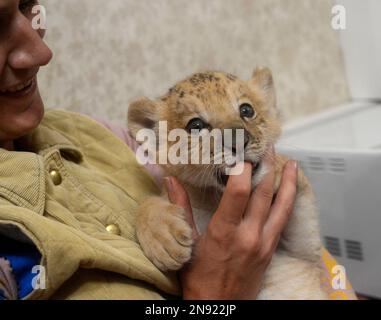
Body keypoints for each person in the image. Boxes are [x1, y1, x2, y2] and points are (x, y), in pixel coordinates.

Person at [0, 0, 355, 300]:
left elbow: (314, 257)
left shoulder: (94, 136)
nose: (237, 135)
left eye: (29, 5)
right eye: (198, 126)